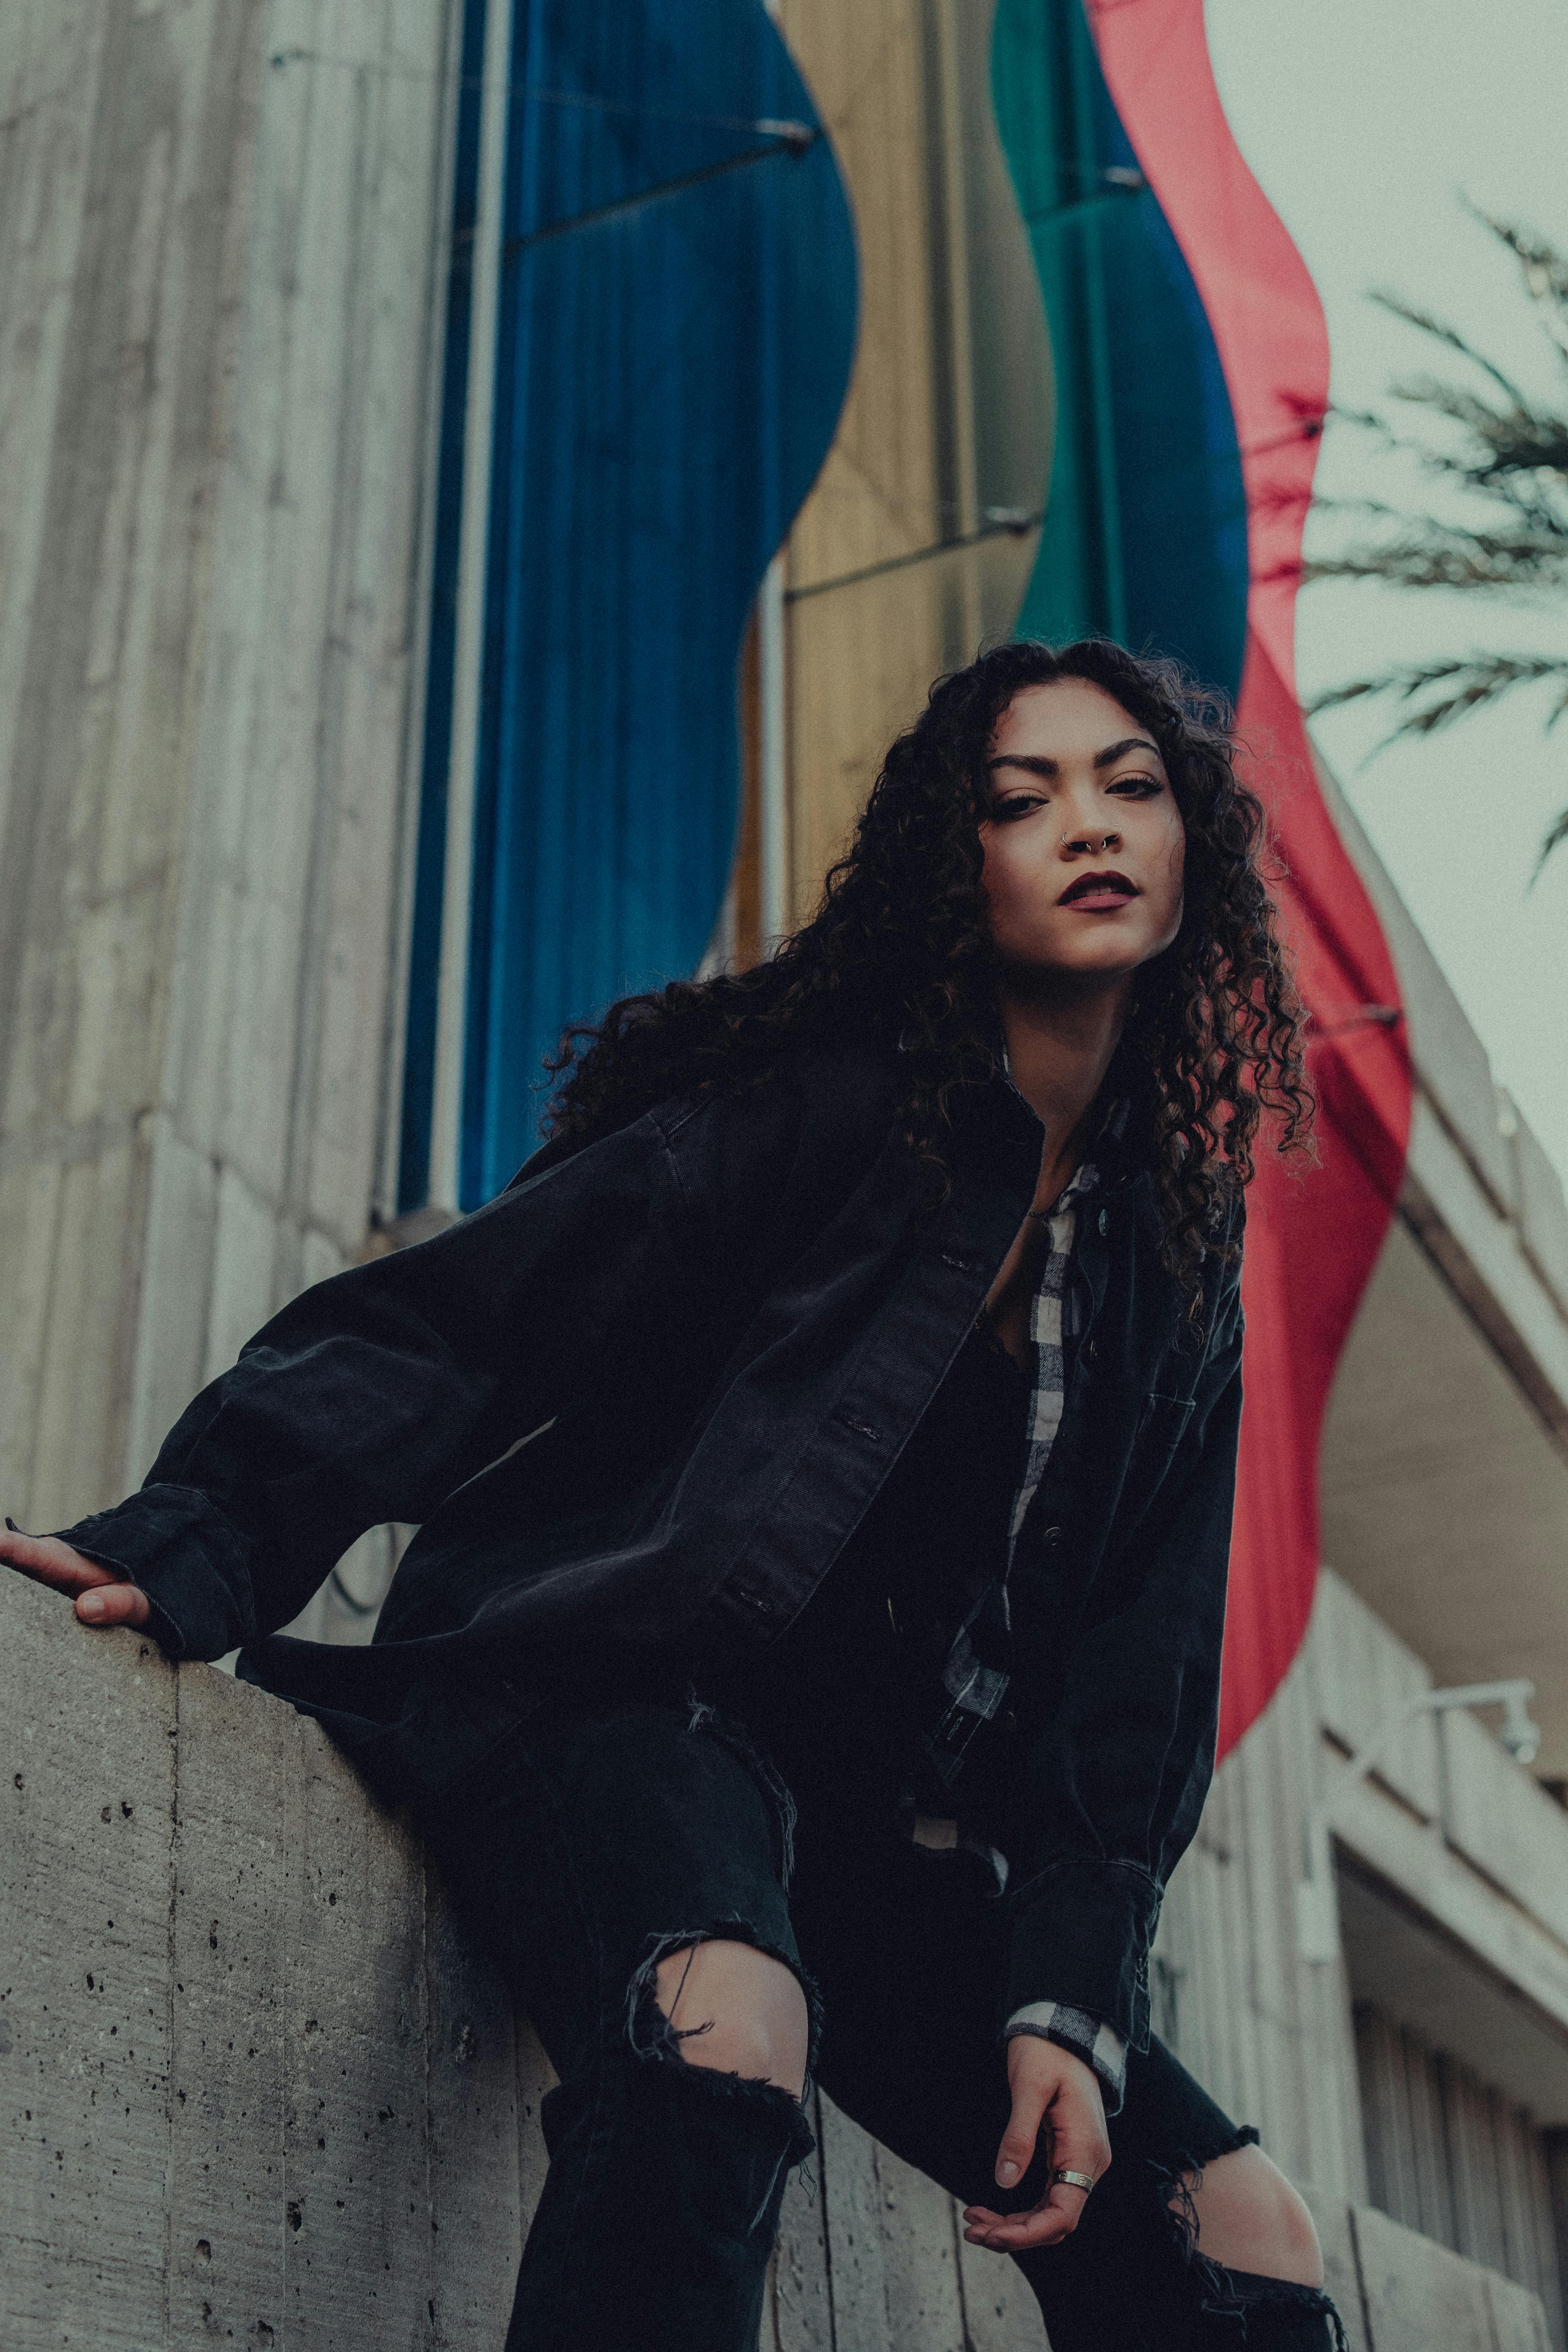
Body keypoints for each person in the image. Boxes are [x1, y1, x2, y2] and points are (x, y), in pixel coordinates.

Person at [5, 639, 1343, 2350]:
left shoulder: (1176, 1267)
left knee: (1244, 2238)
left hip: (870, 1830)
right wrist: (200, 1537)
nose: (1088, 824)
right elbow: (478, 1319)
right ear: (963, 859)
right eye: (1025, 801)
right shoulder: (837, 1106)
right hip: (614, 1694)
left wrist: (1069, 1988)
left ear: (1188, 849)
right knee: (726, 2028)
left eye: (1130, 786)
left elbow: (1135, 1687)